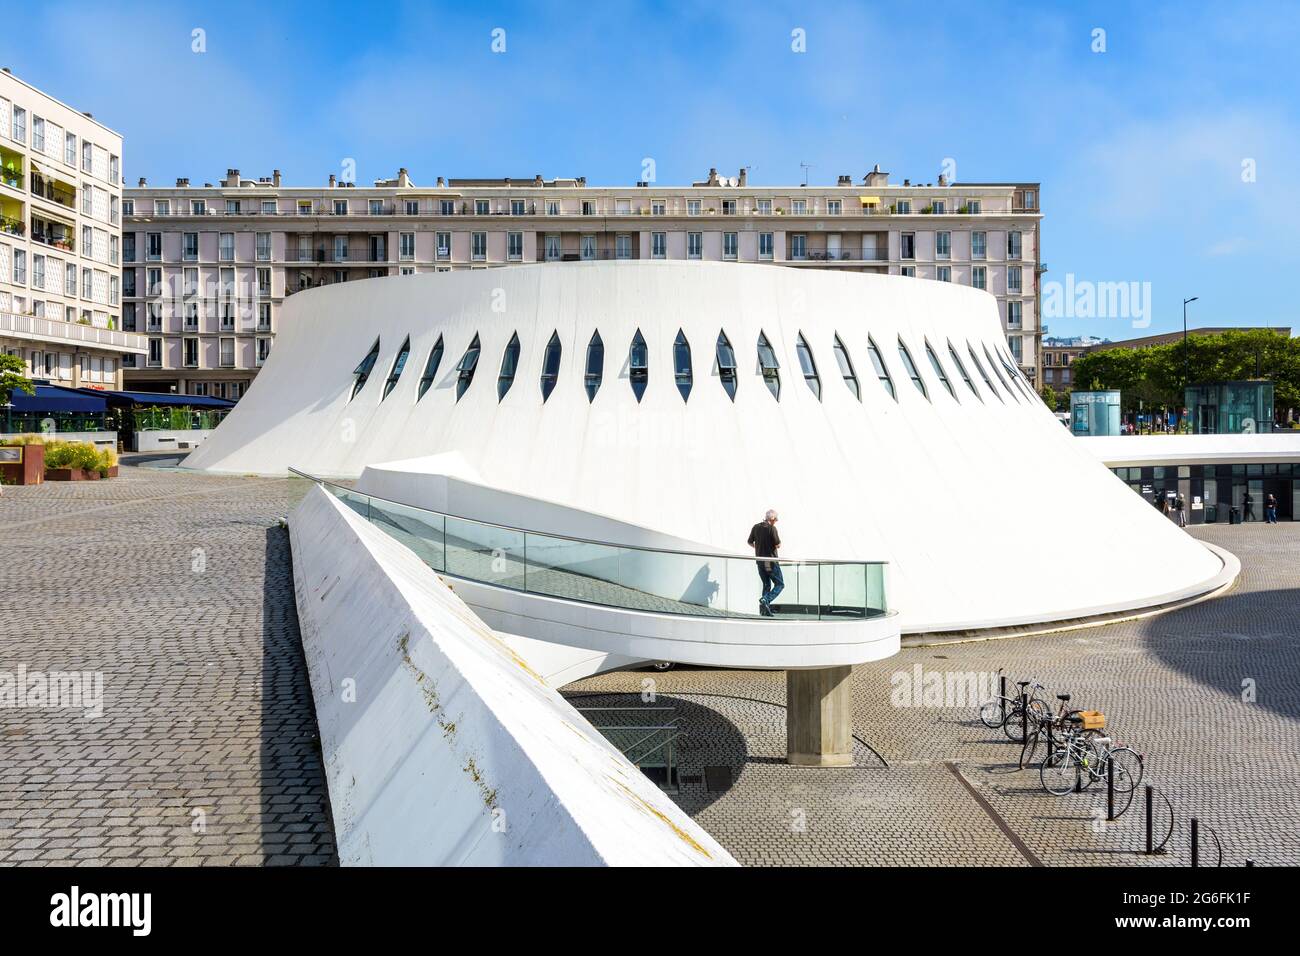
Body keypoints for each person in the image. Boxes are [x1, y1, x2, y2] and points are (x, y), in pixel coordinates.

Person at [747, 509, 783, 616]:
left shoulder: (756, 527)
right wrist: (779, 545)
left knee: (766, 584)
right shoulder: (772, 528)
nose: (776, 521)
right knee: (780, 584)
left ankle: (764, 610)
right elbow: (777, 544)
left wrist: (757, 547)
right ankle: (766, 599)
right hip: (770, 561)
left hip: (759, 561)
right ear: (771, 519)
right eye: (775, 519)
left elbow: (749, 541)